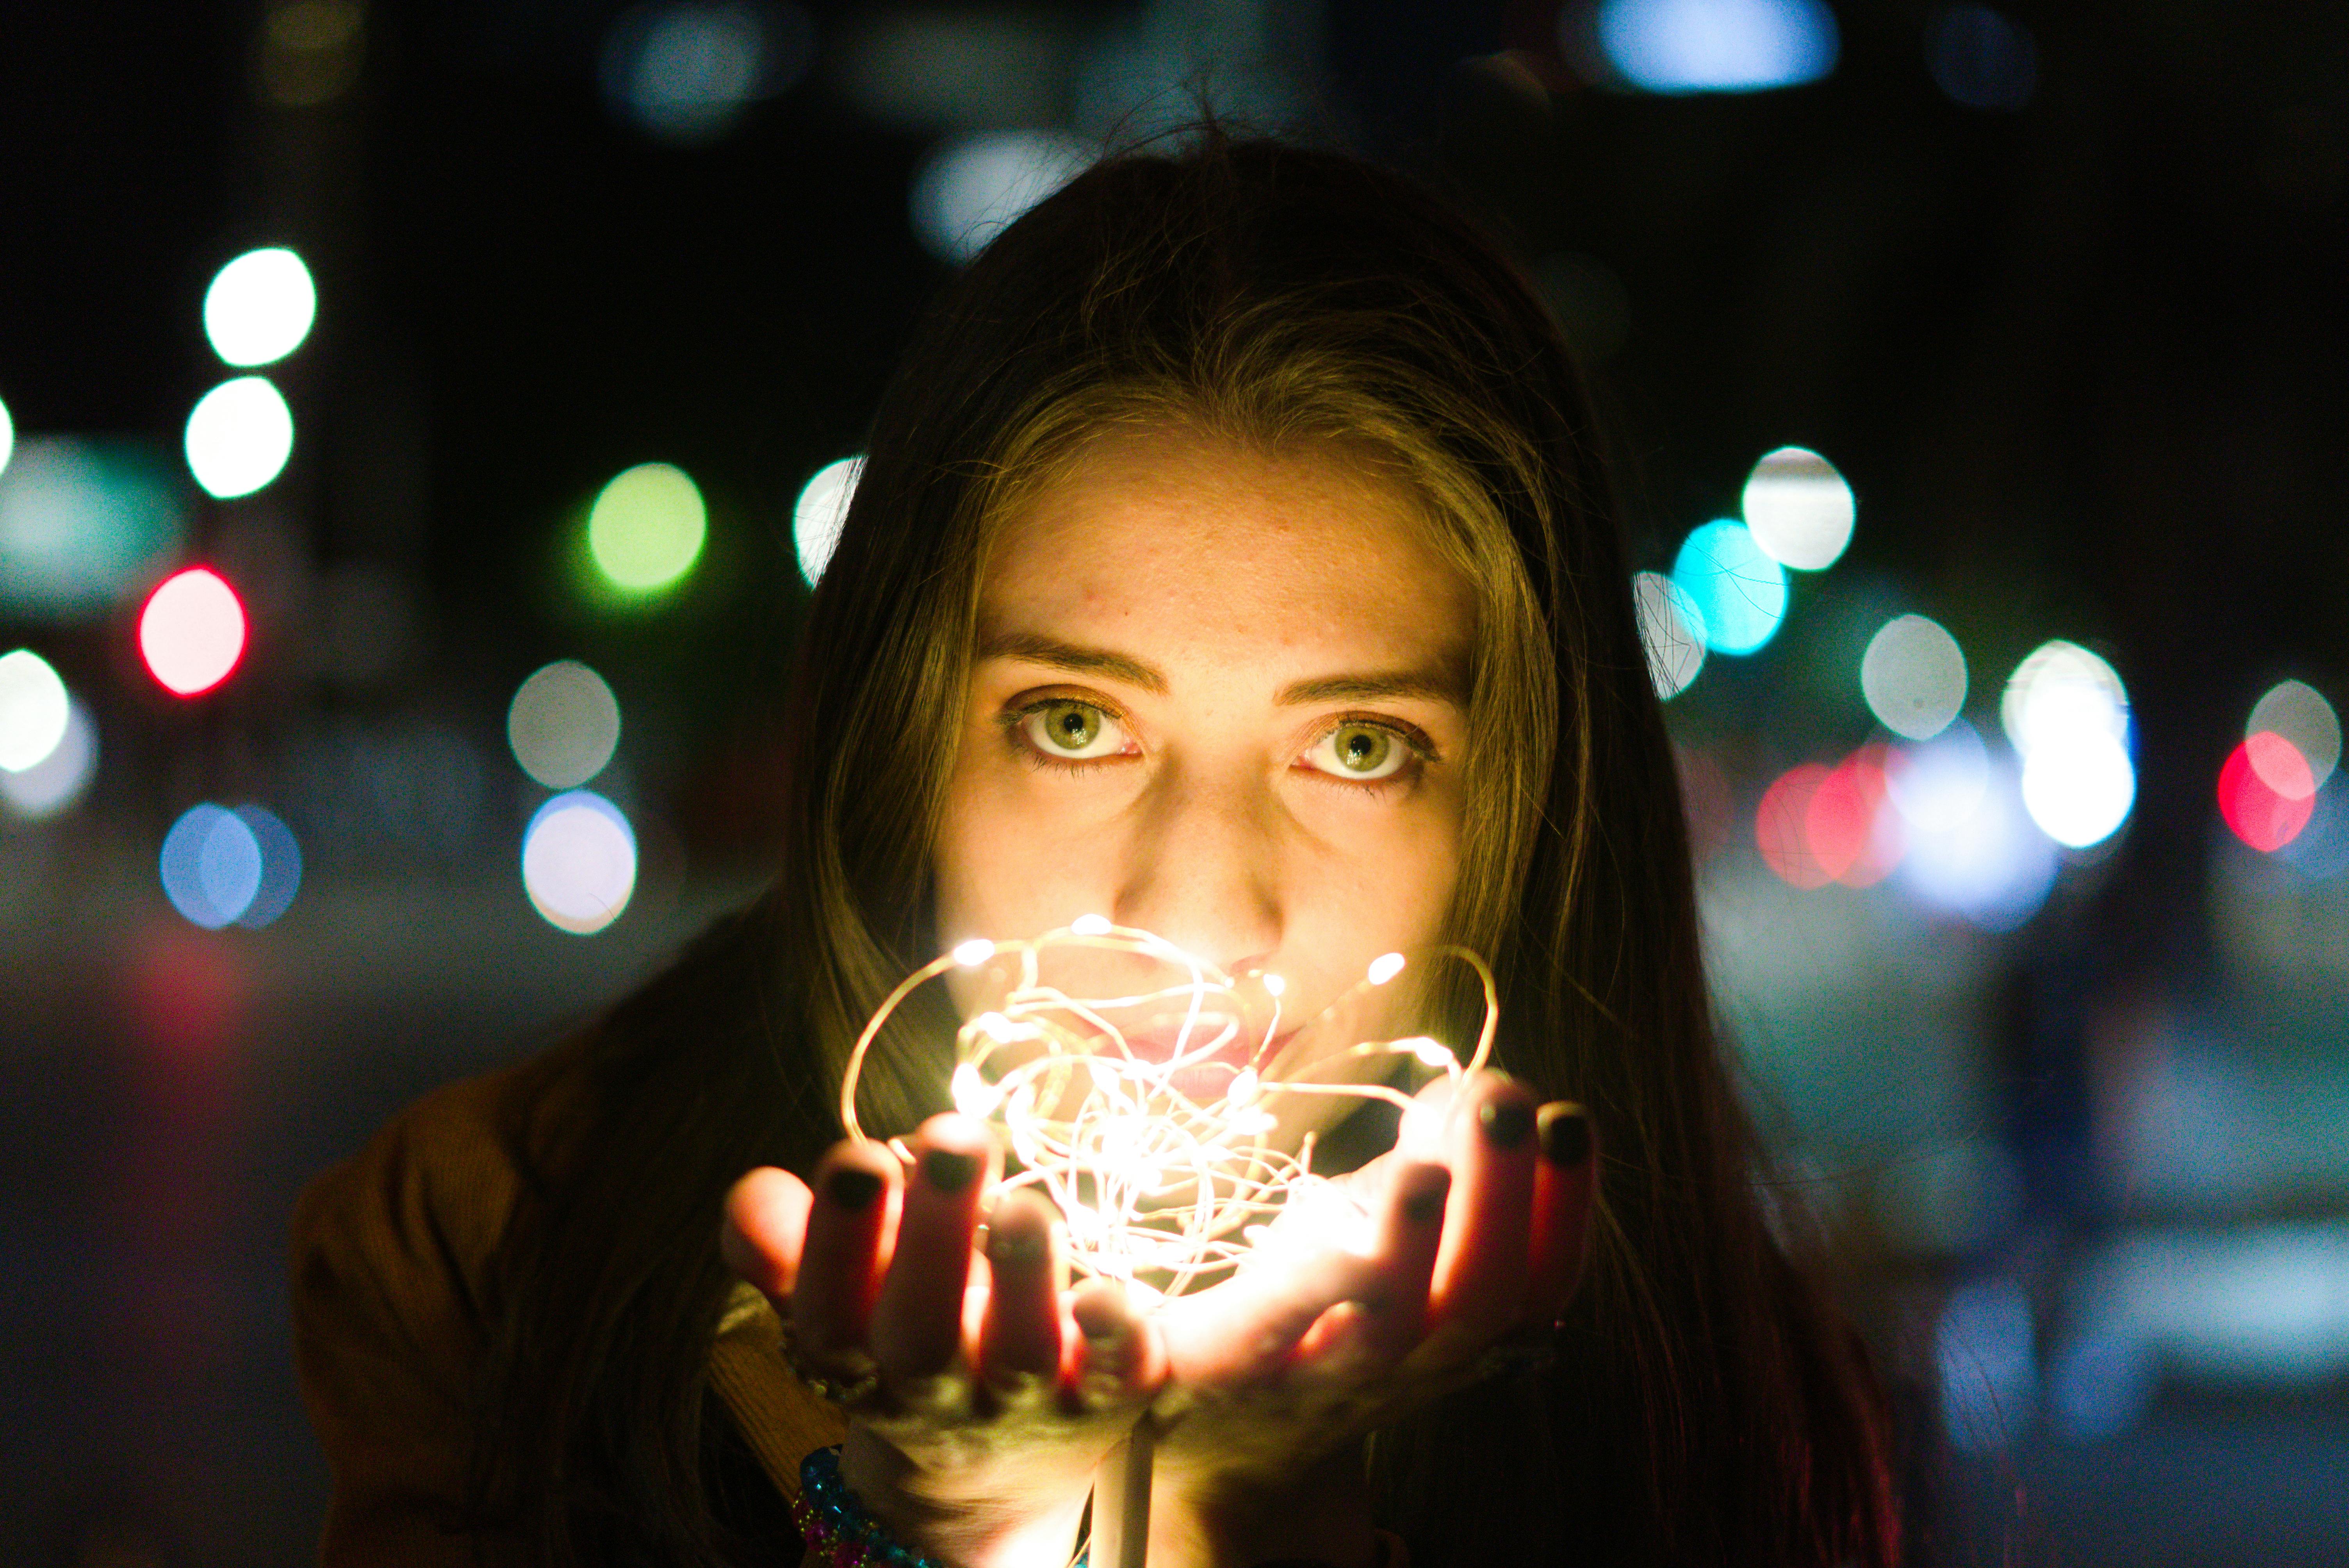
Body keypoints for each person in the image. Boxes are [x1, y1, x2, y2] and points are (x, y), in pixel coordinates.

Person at [291, 132, 1902, 1568]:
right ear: (898, 739)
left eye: (1356, 746)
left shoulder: (1724, 1410)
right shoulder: (493, 1252)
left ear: (1533, 817)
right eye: (1074, 721)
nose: (1195, 904)